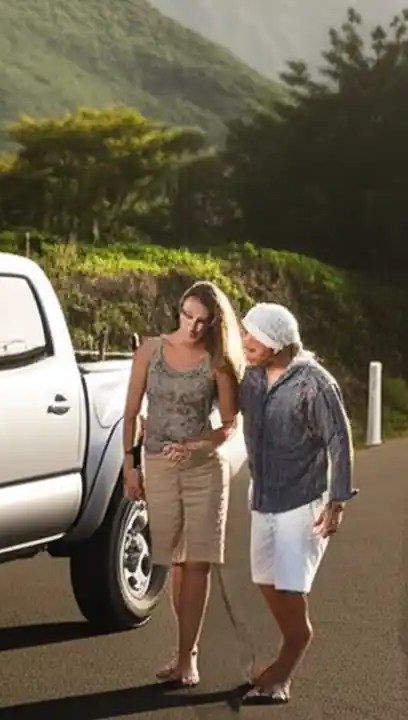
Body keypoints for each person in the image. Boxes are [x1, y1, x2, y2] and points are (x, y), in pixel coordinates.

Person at [121, 280, 245, 688]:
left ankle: (189, 655)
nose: (192, 327)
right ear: (179, 310)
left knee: (197, 564)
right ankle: (182, 648)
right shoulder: (149, 351)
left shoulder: (218, 361)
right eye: (187, 316)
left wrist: (196, 445)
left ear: (213, 325)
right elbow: (132, 409)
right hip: (157, 466)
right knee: (175, 561)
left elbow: (229, 426)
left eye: (202, 322)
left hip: (203, 469)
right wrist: (130, 466)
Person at [237, 302, 357, 705]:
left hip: (304, 499)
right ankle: (294, 637)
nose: (246, 340)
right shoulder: (251, 378)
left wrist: (337, 502)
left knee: (289, 582)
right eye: (244, 332)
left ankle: (284, 667)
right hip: (263, 495)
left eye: (253, 334)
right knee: (263, 576)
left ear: (276, 342)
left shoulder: (315, 383)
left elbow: (339, 441)